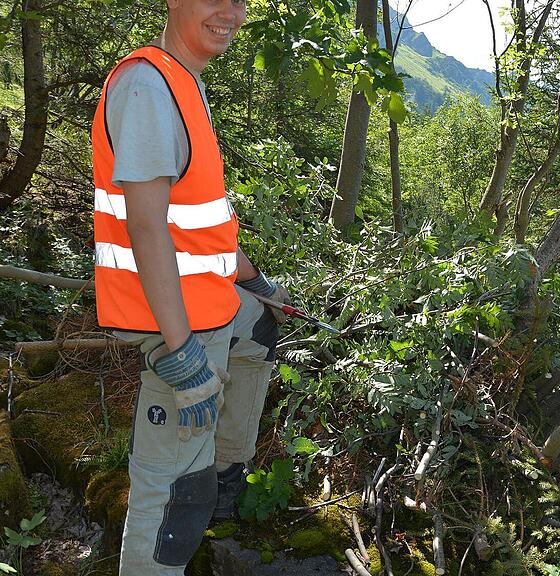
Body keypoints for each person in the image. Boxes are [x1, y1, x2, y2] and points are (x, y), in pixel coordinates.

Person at [91, 1, 287, 573]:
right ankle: (198, 484)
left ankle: (225, 473)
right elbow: (147, 225)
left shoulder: (182, 82)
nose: (231, 12)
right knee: (174, 501)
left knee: (259, 328)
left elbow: (196, 224)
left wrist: (256, 282)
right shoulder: (149, 87)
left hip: (208, 302)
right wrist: (181, 354)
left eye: (239, 0)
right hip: (175, 322)